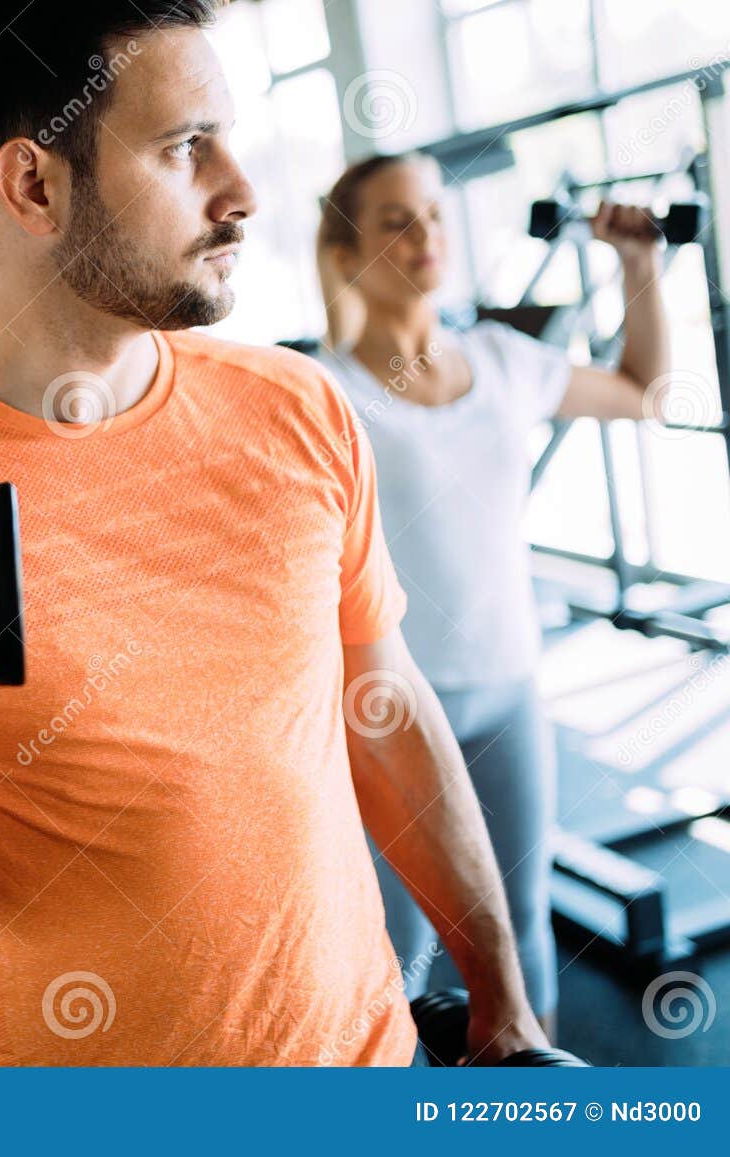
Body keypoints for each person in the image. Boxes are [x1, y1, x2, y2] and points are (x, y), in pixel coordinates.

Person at [0, 0, 549, 1066]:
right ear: (33, 186)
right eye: (184, 146)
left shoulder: (297, 405)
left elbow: (382, 710)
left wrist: (501, 993)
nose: (240, 192)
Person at [315, 152, 672, 1035]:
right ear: (349, 247)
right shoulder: (328, 393)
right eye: (397, 219)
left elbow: (643, 392)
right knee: (402, 951)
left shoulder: (506, 361)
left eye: (434, 213)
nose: (425, 234)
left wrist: (639, 267)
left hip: (510, 685)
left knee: (518, 929)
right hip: (386, 709)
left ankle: (527, 1109)